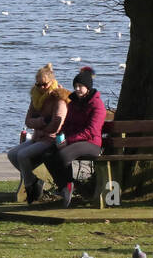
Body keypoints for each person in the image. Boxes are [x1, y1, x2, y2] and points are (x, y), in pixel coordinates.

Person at [43, 66, 107, 208]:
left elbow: (91, 131)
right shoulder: (73, 103)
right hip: (73, 141)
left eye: (80, 86)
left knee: (63, 155)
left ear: (88, 88)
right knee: (47, 154)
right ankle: (64, 187)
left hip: (91, 144)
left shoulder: (97, 105)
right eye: (75, 86)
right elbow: (67, 124)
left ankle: (69, 186)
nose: (77, 89)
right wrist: (61, 136)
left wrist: (68, 141)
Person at [7, 63, 69, 204]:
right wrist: (42, 121)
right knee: (12, 154)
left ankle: (30, 187)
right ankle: (35, 180)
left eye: (44, 85)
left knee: (23, 155)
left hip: (51, 140)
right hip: (37, 138)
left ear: (51, 82)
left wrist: (39, 124)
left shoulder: (59, 98)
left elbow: (55, 125)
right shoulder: (35, 97)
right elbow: (28, 121)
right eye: (38, 84)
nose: (41, 88)